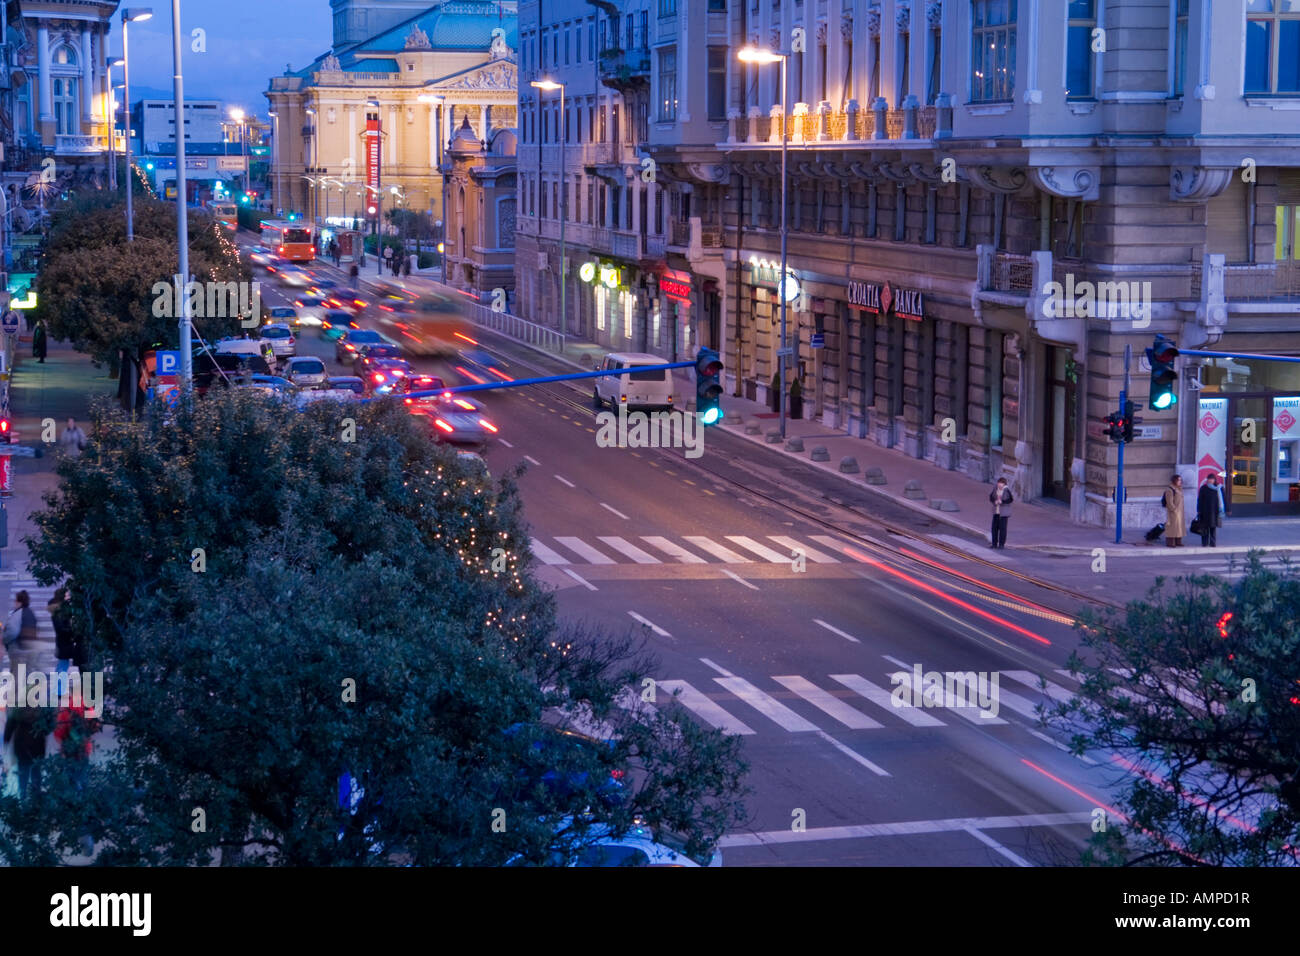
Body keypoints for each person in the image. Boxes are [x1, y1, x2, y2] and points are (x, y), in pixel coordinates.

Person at [1196, 475, 1221, 547]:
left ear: (1214, 480)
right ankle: (1204, 542)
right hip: (1204, 511)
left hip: (1214, 511)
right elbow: (1200, 500)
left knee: (1213, 528)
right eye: (1209, 479)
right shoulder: (1203, 488)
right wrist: (1198, 510)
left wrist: (1226, 509)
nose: (1210, 480)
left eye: (1212, 479)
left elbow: (1223, 499)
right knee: (1204, 528)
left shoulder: (1218, 488)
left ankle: (1213, 542)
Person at [1161, 473, 1185, 547]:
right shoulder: (1170, 489)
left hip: (1180, 511)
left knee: (1179, 527)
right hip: (1173, 512)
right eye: (1178, 480)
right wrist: (1174, 510)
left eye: (1181, 480)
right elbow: (1169, 502)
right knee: (1172, 527)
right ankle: (1170, 542)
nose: (1180, 481)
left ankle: (1178, 541)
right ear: (1174, 480)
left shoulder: (1179, 489)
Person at [989, 477, 1013, 549]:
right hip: (996, 512)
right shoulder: (995, 489)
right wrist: (994, 501)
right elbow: (991, 497)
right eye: (999, 483)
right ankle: (994, 544)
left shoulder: (1007, 490)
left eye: (1001, 483)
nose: (999, 485)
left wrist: (1002, 502)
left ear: (1004, 484)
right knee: (994, 528)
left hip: (1003, 513)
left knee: (1002, 529)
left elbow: (1010, 500)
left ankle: (1001, 544)